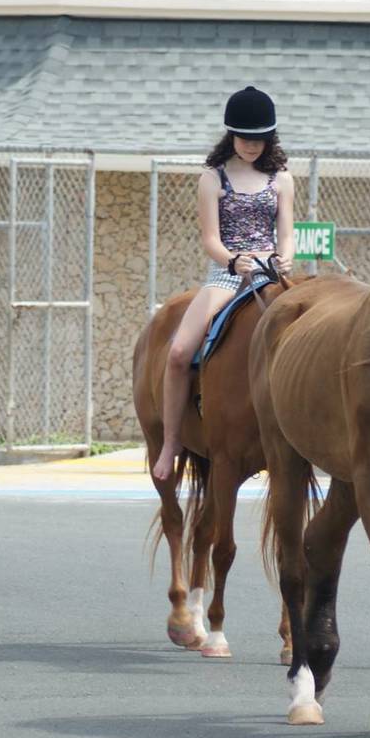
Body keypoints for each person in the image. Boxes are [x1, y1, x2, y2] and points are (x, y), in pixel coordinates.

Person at [152, 86, 296, 482]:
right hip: (227, 275)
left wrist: (286, 256)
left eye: (259, 138)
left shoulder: (282, 178)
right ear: (231, 135)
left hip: (272, 273)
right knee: (180, 351)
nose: (252, 145)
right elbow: (210, 240)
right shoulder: (212, 179)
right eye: (245, 137)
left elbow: (287, 233)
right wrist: (232, 260)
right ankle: (170, 442)